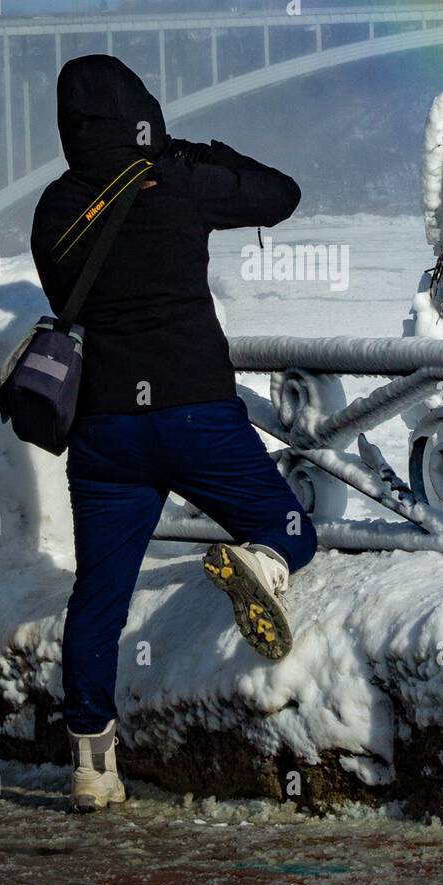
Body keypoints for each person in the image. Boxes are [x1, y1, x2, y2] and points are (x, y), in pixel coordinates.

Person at [31, 54, 317, 812]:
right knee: (292, 527)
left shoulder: (56, 209)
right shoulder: (179, 177)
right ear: (145, 110)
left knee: (99, 596)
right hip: (194, 412)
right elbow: (280, 195)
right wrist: (195, 155)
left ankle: (93, 764)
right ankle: (263, 557)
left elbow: (69, 293)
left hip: (105, 429)